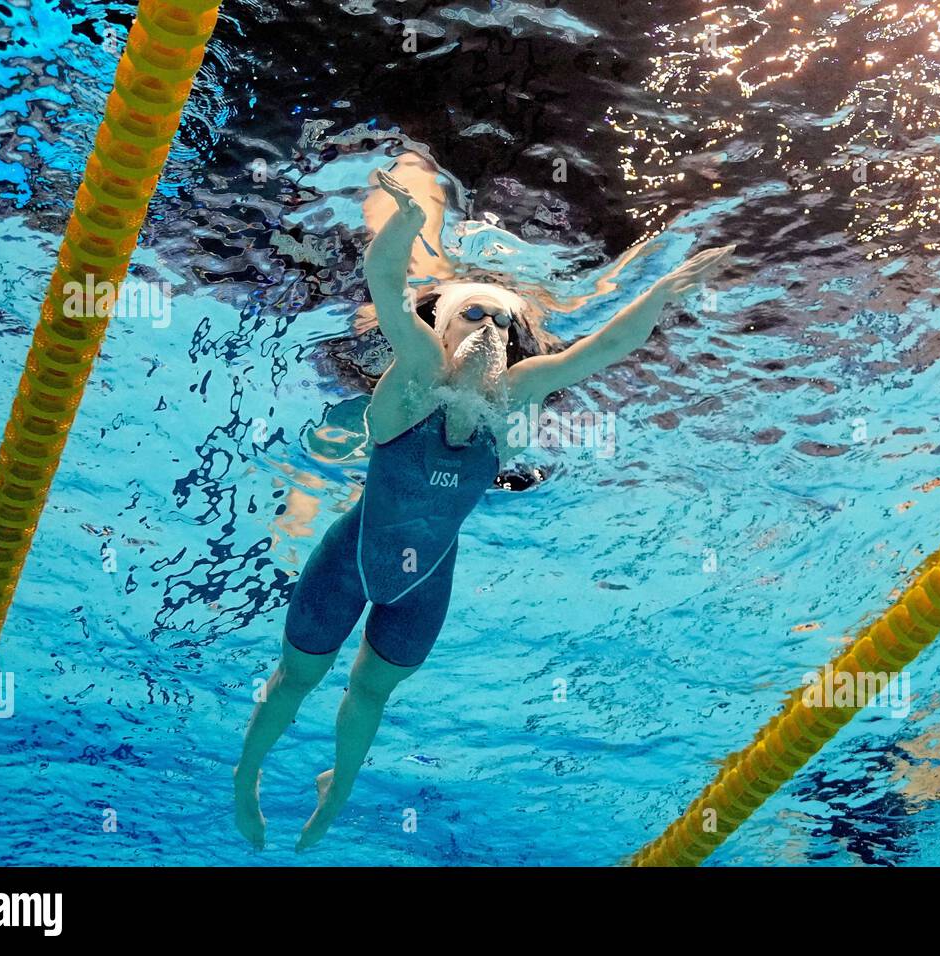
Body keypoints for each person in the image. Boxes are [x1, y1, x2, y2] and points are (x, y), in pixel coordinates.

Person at [234, 159, 732, 851]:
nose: (492, 326)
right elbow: (385, 285)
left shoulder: (514, 397)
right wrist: (409, 222)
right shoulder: (414, 380)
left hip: (424, 587)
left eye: (502, 318)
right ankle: (247, 776)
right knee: (298, 678)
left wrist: (665, 291)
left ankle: (337, 786)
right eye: (474, 312)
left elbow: (607, 346)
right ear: (440, 327)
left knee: (370, 695)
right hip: (350, 561)